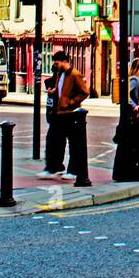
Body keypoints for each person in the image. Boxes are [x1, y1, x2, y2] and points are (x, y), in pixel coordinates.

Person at [37, 51, 91, 184]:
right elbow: (61, 90)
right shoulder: (60, 74)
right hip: (59, 113)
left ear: (64, 61)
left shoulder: (74, 74)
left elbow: (84, 92)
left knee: (74, 144)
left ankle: (73, 171)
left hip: (71, 114)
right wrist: (54, 92)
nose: (55, 65)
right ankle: (53, 167)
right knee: (53, 141)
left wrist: (71, 102)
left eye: (57, 63)